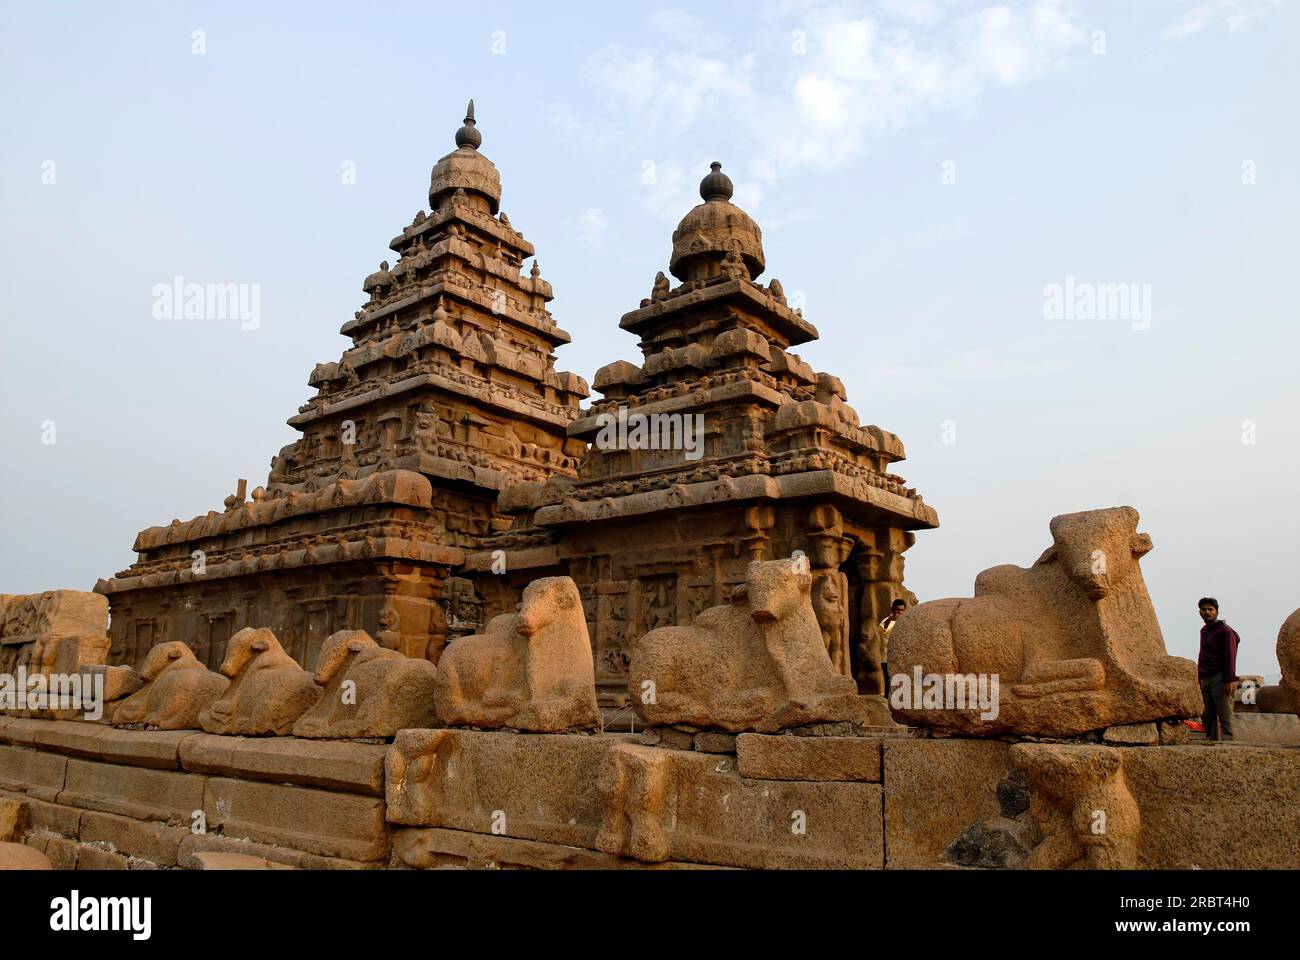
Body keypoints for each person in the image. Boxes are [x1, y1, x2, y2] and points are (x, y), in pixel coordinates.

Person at [1196, 597, 1240, 742]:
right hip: (1205, 678)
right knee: (1207, 714)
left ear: (1217, 612)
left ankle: (1229, 746)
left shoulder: (1225, 631)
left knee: (1225, 714)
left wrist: (1229, 679)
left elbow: (1230, 656)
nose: (1207, 612)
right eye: (1204, 610)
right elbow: (1203, 654)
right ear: (1199, 612)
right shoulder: (1204, 631)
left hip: (1220, 678)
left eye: (1210, 609)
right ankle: (1211, 742)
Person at [879, 599, 907, 690]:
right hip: (886, 658)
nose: (899, 612)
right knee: (889, 682)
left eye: (902, 610)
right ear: (892, 610)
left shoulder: (905, 622)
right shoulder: (886, 621)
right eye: (897, 610)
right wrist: (891, 620)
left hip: (901, 658)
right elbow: (882, 632)